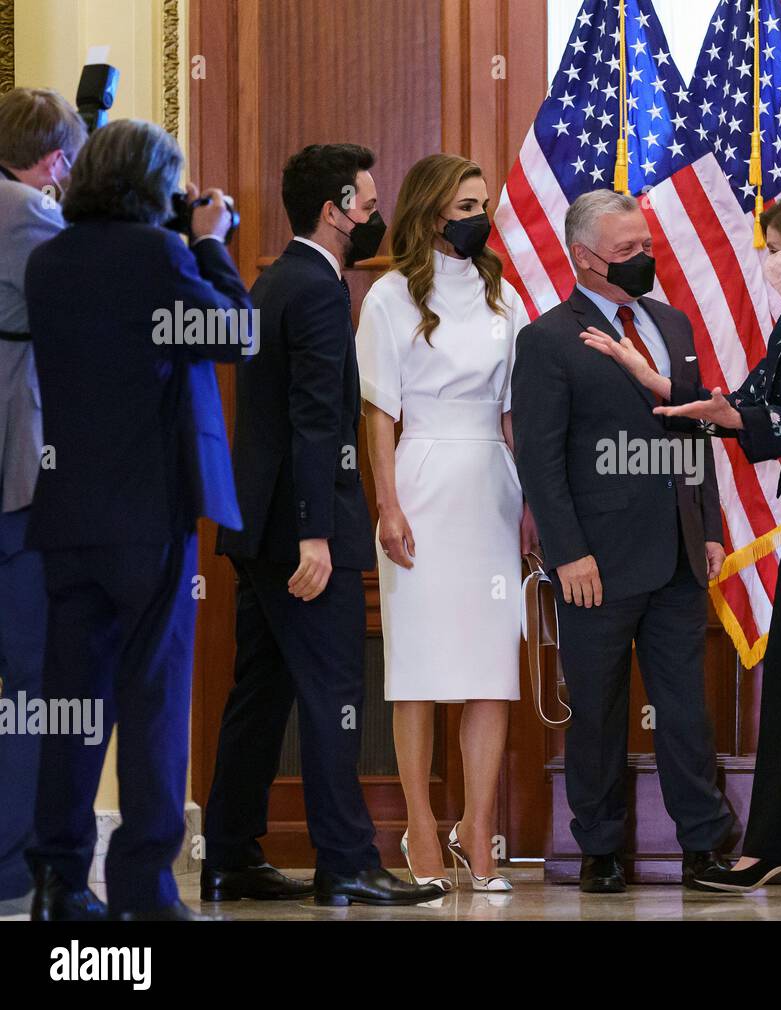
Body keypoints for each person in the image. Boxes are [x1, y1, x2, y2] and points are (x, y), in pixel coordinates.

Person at [582, 185, 781, 899]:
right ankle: (770, 847)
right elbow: (747, 402)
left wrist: (736, 419)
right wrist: (655, 381)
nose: (772, 260)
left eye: (779, 247)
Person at [203, 144, 443, 907]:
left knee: (261, 692)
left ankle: (230, 855)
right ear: (335, 208)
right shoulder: (313, 290)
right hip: (303, 530)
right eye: (370, 207)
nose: (377, 219)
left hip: (259, 527)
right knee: (334, 688)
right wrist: (315, 535)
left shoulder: (277, 280)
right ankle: (344, 862)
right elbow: (313, 421)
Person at [24, 118, 251, 921]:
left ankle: (56, 880)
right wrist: (211, 241)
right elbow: (236, 332)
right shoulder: (157, 256)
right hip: (147, 514)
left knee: (72, 704)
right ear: (154, 185)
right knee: (152, 696)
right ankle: (144, 890)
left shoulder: (47, 260)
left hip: (64, 516)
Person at [511, 189, 733, 894]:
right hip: (595, 563)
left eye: (647, 246)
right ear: (584, 257)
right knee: (599, 708)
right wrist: (566, 551)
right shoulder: (547, 339)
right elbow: (540, 460)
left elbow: (696, 429)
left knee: (686, 706)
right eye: (627, 250)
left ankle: (704, 845)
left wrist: (712, 527)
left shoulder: (671, 322)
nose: (644, 258)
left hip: (677, 550)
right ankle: (599, 848)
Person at [356, 154, 535, 893]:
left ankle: (479, 831)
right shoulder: (390, 297)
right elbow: (378, 411)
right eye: (467, 204)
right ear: (433, 212)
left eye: (484, 203)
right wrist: (387, 504)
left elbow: (514, 411)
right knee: (420, 674)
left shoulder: (505, 299)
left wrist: (529, 505)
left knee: (491, 673)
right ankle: (423, 831)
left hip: (492, 485)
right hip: (420, 484)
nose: (479, 215)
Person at [0, 87, 85, 919]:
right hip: (17, 477)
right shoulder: (27, 210)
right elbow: (86, 303)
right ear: (54, 158)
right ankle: (12, 870)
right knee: (30, 680)